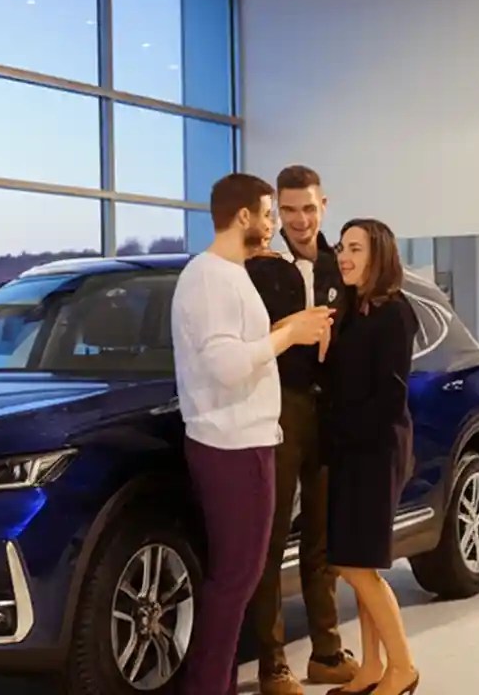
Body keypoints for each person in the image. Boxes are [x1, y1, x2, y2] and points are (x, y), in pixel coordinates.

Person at [171, 173, 334, 695]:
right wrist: (290, 334)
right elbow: (224, 365)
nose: (272, 225)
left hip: (247, 440)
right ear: (244, 217)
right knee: (236, 579)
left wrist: (283, 333)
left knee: (236, 579)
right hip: (231, 445)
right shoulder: (211, 277)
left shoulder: (227, 273)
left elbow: (237, 349)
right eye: (268, 214)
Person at [245, 165, 357, 695]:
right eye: (288, 210)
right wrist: (291, 332)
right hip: (278, 411)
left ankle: (327, 653)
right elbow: (240, 342)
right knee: (270, 540)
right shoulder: (257, 270)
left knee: (322, 539)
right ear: (277, 212)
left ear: (323, 206)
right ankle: (272, 665)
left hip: (329, 414)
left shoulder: (342, 265)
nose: (299, 220)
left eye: (308, 208)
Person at [322, 219, 420, 695]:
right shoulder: (356, 309)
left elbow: (389, 397)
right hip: (351, 449)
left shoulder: (395, 314)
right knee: (359, 562)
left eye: (355, 248)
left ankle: (403, 667)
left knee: (357, 565)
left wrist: (344, 430)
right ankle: (371, 667)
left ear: (379, 254)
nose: (344, 256)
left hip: (375, 450)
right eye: (342, 248)